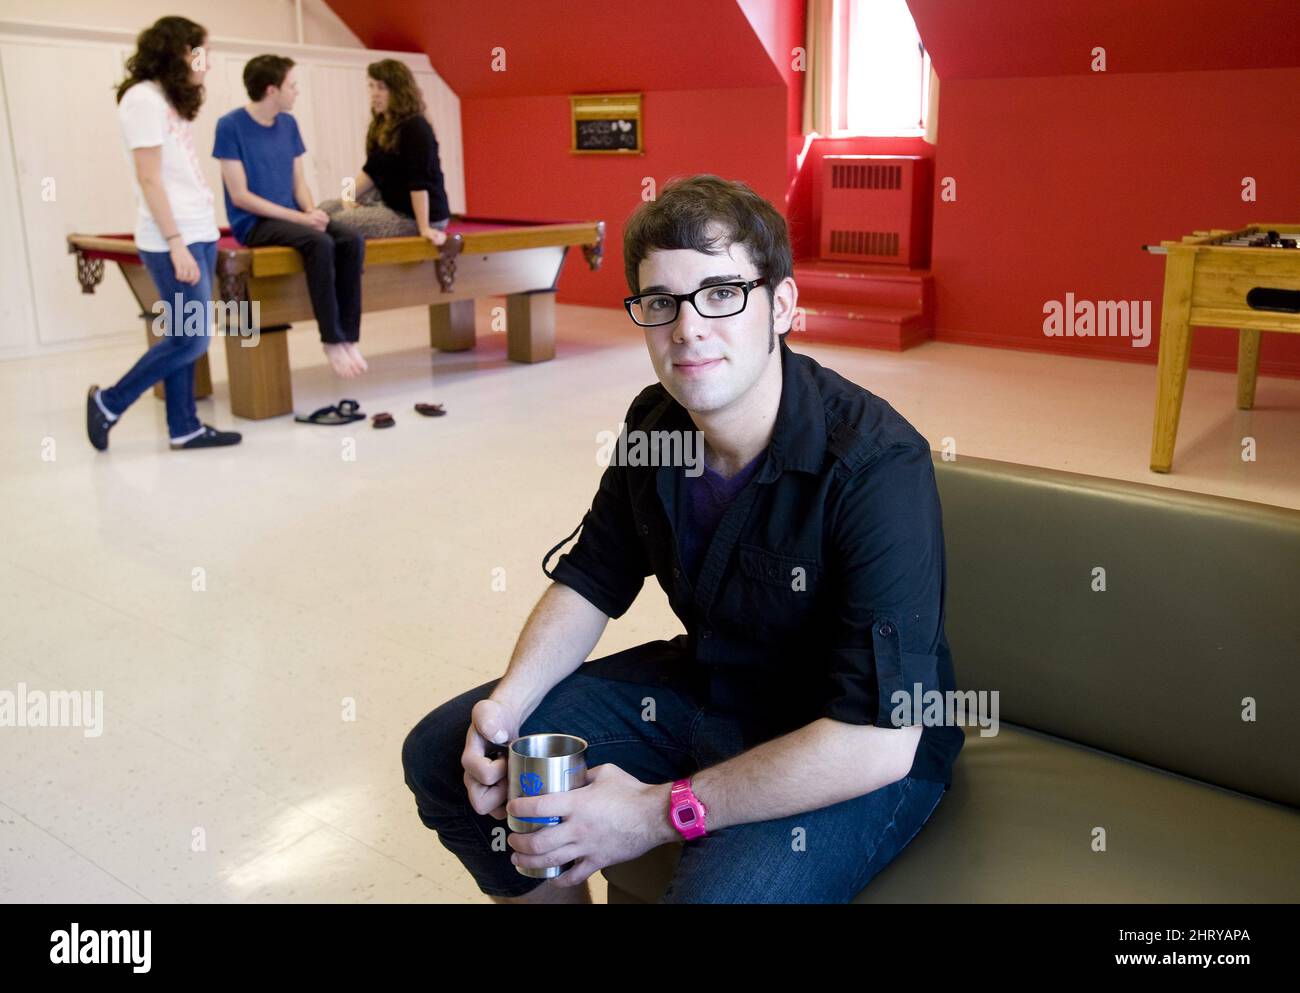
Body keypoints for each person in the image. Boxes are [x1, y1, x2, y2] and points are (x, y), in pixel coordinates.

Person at [400, 175, 965, 903]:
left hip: (849, 744)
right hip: (710, 688)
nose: (688, 328)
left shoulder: (876, 465)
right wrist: (508, 706)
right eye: (661, 302)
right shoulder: (657, 425)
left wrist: (654, 813)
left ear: (783, 305)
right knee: (444, 753)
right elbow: (592, 579)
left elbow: (882, 740)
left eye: (722, 293)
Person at [87, 16, 241, 452]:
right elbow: (149, 179)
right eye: (200, 52)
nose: (206, 62)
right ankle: (109, 401)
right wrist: (176, 243)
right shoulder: (142, 100)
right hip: (173, 238)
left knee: (181, 334)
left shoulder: (165, 99)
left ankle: (184, 426)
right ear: (176, 52)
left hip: (198, 231)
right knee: (191, 337)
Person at [213, 54, 367, 379]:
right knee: (320, 244)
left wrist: (311, 211)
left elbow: (299, 181)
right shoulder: (229, 126)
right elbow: (241, 196)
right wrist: (302, 221)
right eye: (292, 85)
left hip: (293, 217)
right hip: (254, 224)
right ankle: (331, 339)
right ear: (272, 90)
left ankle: (349, 335)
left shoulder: (289, 124)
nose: (296, 91)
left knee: (351, 239)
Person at [318, 59, 451, 246]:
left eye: (381, 88)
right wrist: (347, 197)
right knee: (322, 211)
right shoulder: (380, 125)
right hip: (390, 204)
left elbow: (419, 183)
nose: (374, 94)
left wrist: (424, 228)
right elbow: (370, 171)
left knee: (335, 223)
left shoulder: (415, 127)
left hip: (415, 215)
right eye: (371, 87)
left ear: (398, 91)